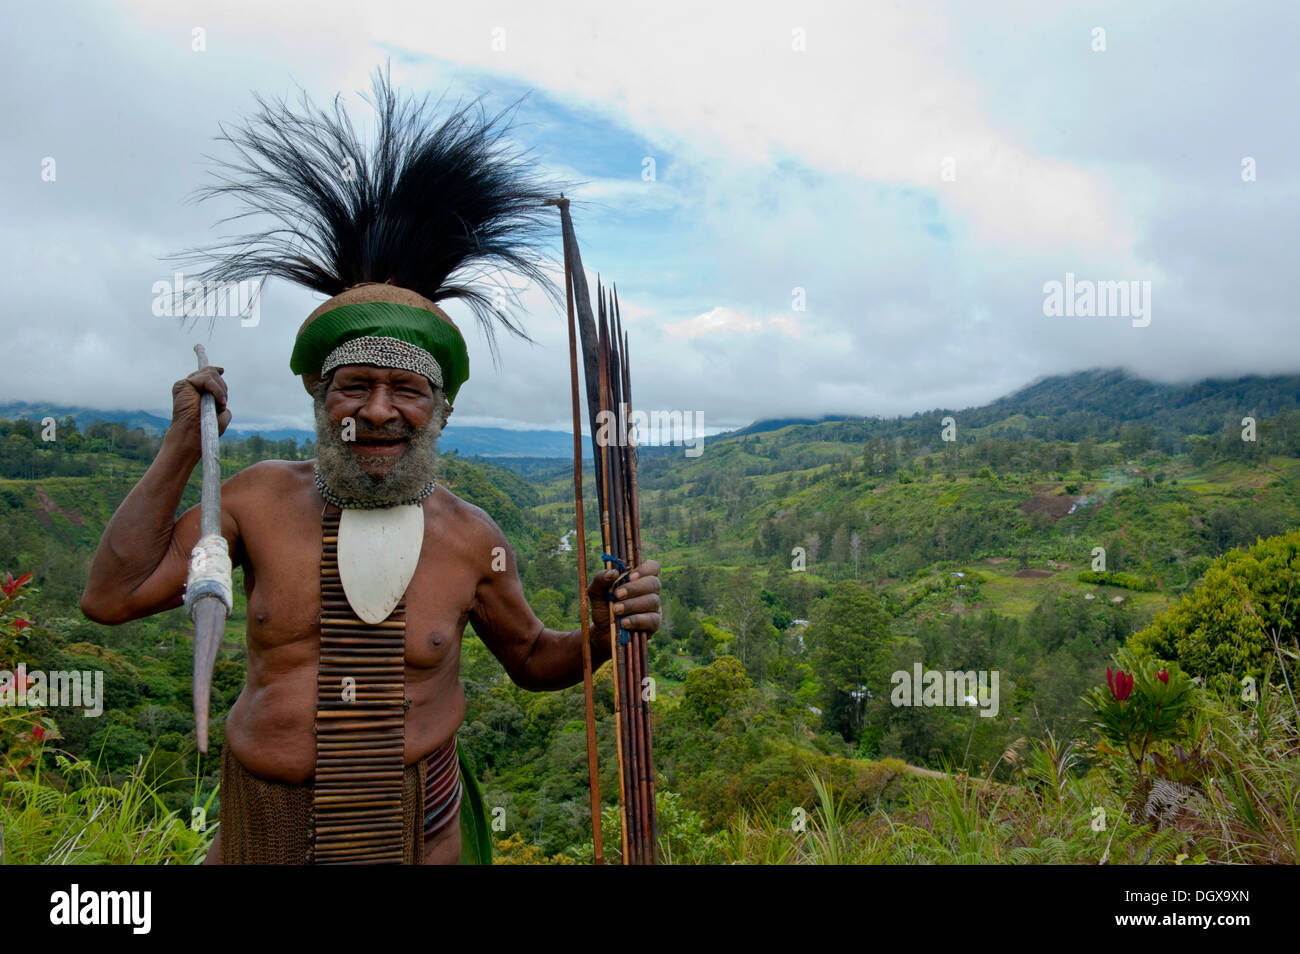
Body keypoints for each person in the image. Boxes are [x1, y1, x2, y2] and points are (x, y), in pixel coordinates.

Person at [79, 68, 661, 864]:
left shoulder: (470, 537)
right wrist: (185, 441)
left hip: (416, 837)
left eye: (408, 390)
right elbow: (111, 598)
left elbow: (530, 659)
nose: (379, 410)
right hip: (263, 835)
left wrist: (600, 631)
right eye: (355, 386)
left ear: (442, 410)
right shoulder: (254, 502)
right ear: (321, 400)